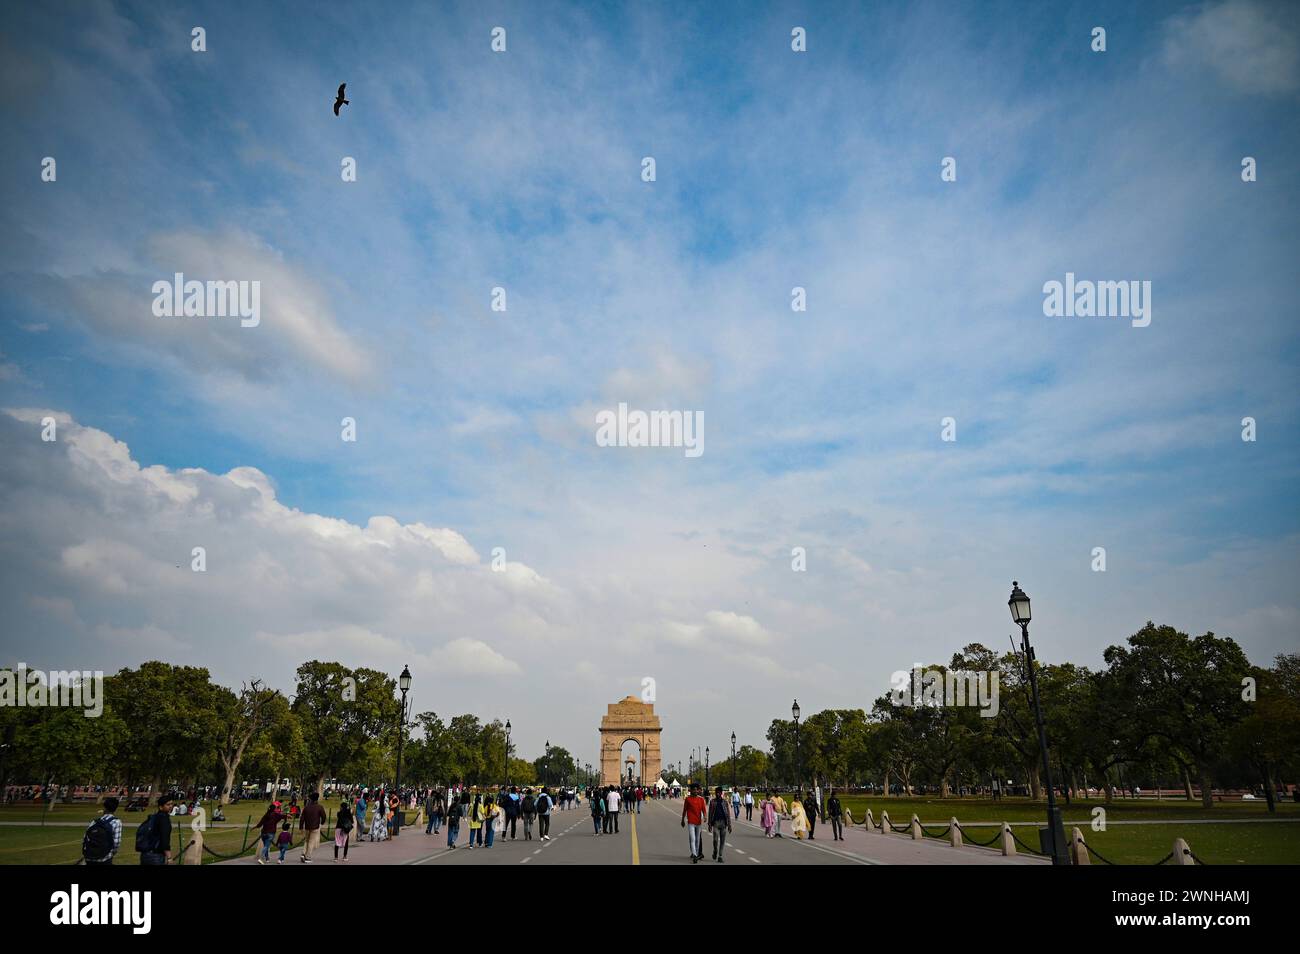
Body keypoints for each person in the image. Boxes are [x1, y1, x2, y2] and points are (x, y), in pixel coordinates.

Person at [83, 796, 123, 865]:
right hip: (105, 858)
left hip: (89, 857)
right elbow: (116, 842)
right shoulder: (116, 822)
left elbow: (85, 837)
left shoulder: (95, 822)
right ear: (115, 809)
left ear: (104, 807)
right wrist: (110, 854)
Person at [681, 783, 708, 861]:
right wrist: (682, 819)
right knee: (692, 839)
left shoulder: (701, 799)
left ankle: (695, 852)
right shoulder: (688, 799)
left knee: (697, 839)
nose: (695, 791)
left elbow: (704, 810)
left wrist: (705, 817)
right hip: (691, 822)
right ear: (691, 791)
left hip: (698, 822)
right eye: (694, 790)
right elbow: (684, 810)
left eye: (696, 790)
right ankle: (695, 855)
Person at [299, 790, 326, 863]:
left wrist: (301, 827)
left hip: (307, 826)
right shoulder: (319, 807)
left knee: (306, 841)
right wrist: (322, 822)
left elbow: (302, 818)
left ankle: (303, 853)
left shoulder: (306, 807)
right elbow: (324, 816)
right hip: (315, 826)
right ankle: (308, 857)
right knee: (311, 842)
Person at [708, 786, 733, 862]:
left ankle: (720, 856)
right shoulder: (712, 802)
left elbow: (728, 814)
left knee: (722, 841)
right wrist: (709, 824)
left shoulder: (725, 802)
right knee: (715, 839)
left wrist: (729, 825)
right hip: (715, 822)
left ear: (721, 793)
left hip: (723, 823)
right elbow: (710, 813)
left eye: (719, 792)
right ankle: (715, 850)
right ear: (715, 793)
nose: (718, 794)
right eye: (717, 792)